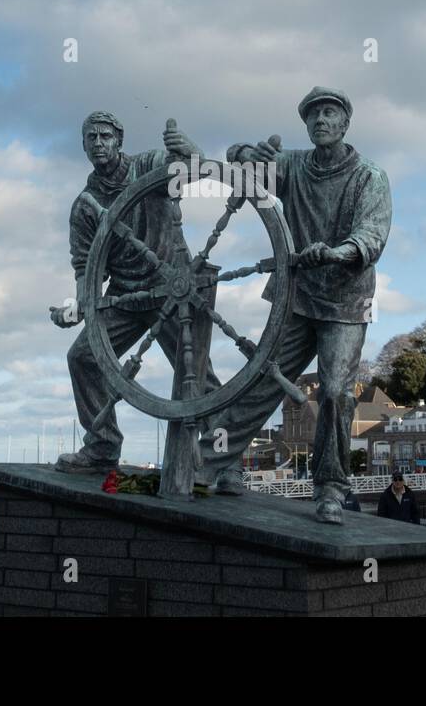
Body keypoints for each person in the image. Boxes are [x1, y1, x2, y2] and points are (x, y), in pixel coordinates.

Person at [197, 86, 392, 524]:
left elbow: (372, 235)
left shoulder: (370, 176)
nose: (321, 120)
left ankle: (330, 488)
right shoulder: (294, 166)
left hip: (345, 301)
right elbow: (236, 159)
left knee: (336, 393)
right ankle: (215, 462)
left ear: (344, 124)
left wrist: (339, 252)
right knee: (261, 377)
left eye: (329, 113)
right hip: (298, 294)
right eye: (313, 115)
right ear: (306, 125)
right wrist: (248, 151)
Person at [51, 111, 211, 473]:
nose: (98, 144)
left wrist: (191, 150)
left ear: (119, 140)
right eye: (90, 138)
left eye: (105, 136)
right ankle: (103, 446)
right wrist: (77, 308)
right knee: (83, 357)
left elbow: (199, 170)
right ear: (83, 146)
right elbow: (86, 268)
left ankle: (222, 458)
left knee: (200, 375)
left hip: (173, 292)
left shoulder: (149, 166)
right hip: (126, 298)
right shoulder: (85, 206)